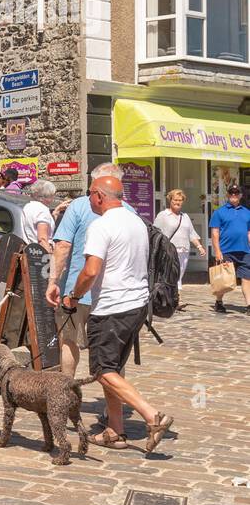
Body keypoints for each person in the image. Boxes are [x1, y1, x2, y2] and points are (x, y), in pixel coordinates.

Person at [62, 174, 172, 453]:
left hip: (112, 307)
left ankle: (152, 416)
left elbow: (91, 270)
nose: (89, 200)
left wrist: (73, 297)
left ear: (99, 195)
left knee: (102, 370)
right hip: (136, 305)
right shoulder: (136, 221)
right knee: (112, 370)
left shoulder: (101, 226)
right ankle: (115, 430)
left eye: (90, 194)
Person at [47, 162, 130, 379]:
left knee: (69, 341)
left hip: (78, 288)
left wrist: (52, 281)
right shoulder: (130, 212)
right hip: (115, 294)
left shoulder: (79, 206)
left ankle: (66, 390)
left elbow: (62, 246)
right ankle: (113, 405)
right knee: (113, 352)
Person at [155, 189, 206, 309]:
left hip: (184, 250)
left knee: (179, 275)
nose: (177, 202)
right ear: (170, 200)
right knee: (171, 274)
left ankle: (173, 298)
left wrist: (199, 247)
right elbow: (155, 232)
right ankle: (173, 299)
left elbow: (191, 233)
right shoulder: (163, 215)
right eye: (175, 200)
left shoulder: (185, 217)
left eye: (180, 200)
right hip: (169, 250)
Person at [209, 182, 250, 314]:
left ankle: (249, 305)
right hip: (226, 250)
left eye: (236, 193)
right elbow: (215, 233)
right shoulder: (219, 212)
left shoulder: (247, 212)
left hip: (244, 251)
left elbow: (249, 232)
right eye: (231, 193)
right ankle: (219, 302)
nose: (234, 195)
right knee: (224, 279)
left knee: (247, 278)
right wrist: (217, 251)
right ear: (227, 195)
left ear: (240, 195)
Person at [21, 179, 57, 252]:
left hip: (28, 249)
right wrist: (49, 258)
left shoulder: (28, 206)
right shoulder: (42, 210)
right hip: (39, 253)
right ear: (47, 196)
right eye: (53, 194)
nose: (54, 197)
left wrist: (55, 213)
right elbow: (42, 239)